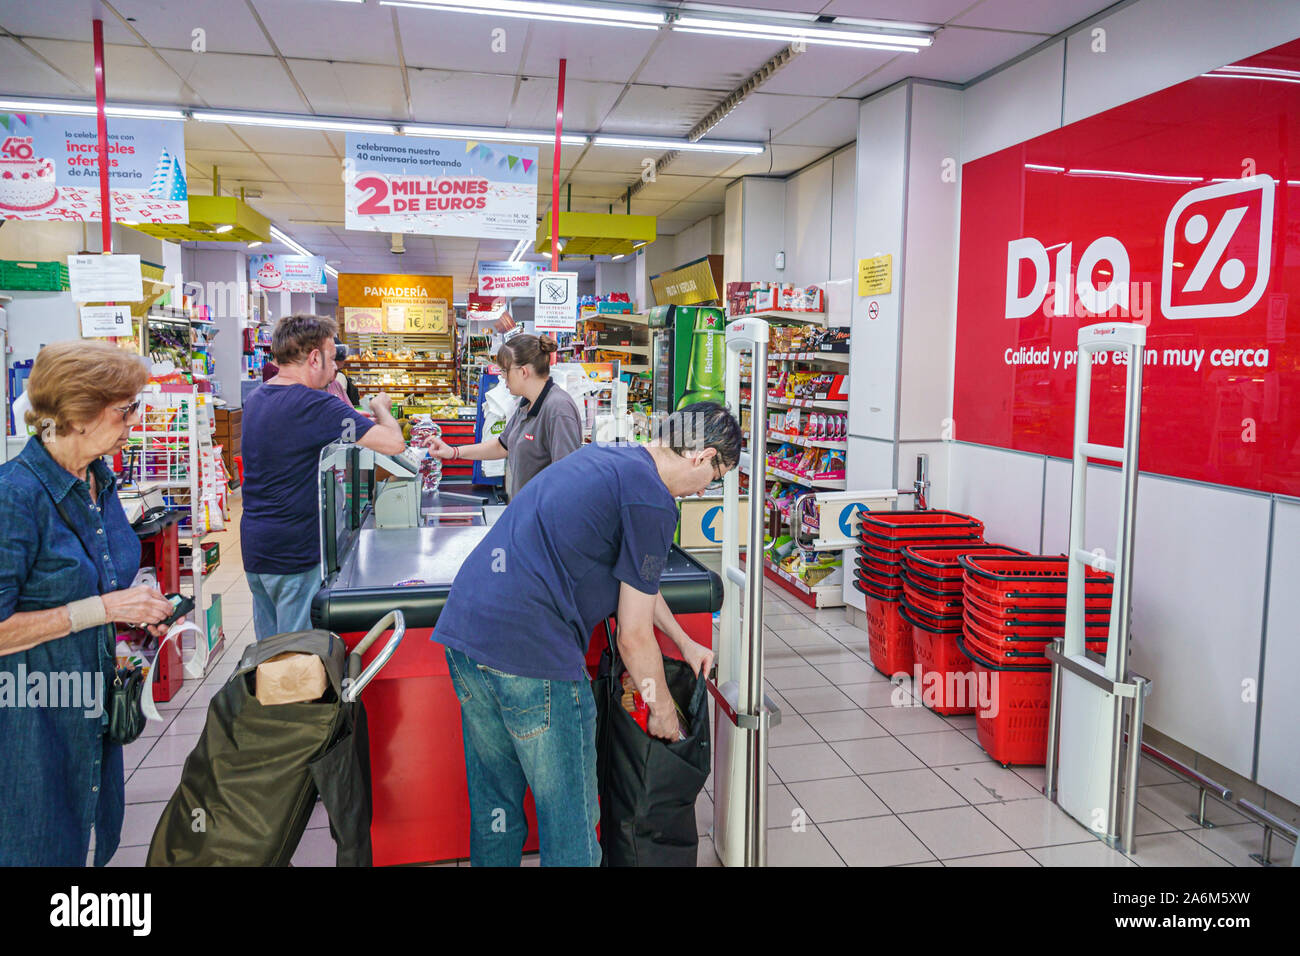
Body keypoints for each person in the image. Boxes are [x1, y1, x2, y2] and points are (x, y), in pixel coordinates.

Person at [434, 402, 741, 866]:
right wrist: (660, 711)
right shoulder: (654, 499)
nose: (707, 489)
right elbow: (632, 637)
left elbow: (639, 581)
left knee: (496, 806)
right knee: (571, 823)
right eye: (715, 478)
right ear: (703, 456)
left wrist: (684, 640)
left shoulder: (612, 457)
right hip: (532, 658)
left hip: (466, 638)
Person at [0, 341, 174, 866]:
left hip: (93, 702)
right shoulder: (16, 496)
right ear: (76, 415)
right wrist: (103, 610)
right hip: (31, 719)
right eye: (125, 409)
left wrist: (136, 613)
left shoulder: (98, 480)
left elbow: (102, 579)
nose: (135, 421)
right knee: (38, 844)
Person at [241, 314, 405, 641]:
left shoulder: (258, 397)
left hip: (258, 548)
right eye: (331, 359)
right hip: (295, 553)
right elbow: (394, 443)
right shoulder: (315, 403)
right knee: (295, 659)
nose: (336, 368)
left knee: (270, 650)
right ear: (314, 357)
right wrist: (381, 406)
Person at [430, 333, 582, 499]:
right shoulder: (526, 403)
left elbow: (568, 481)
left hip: (544, 519)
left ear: (523, 372)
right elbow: (502, 446)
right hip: (525, 512)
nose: (501, 377)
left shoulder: (558, 409)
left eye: (504, 370)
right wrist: (453, 452)